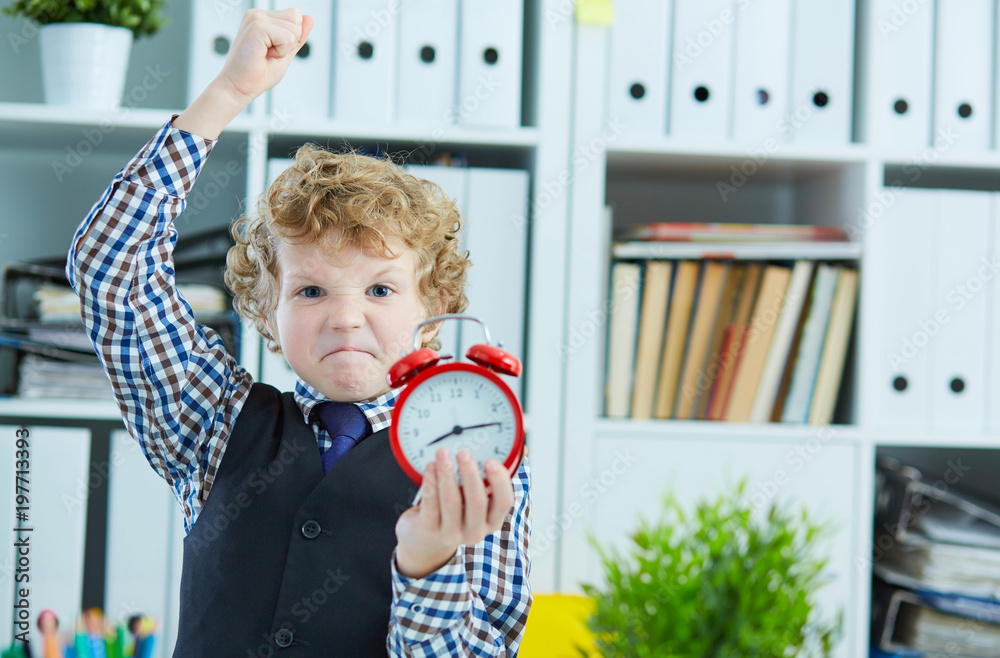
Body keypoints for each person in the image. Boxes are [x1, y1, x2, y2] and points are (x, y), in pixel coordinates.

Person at [65, 7, 530, 656]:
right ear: (265, 312)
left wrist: (427, 560)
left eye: (380, 290)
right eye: (311, 291)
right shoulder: (213, 421)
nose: (345, 317)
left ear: (437, 308)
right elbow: (109, 267)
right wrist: (228, 92)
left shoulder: (478, 456)